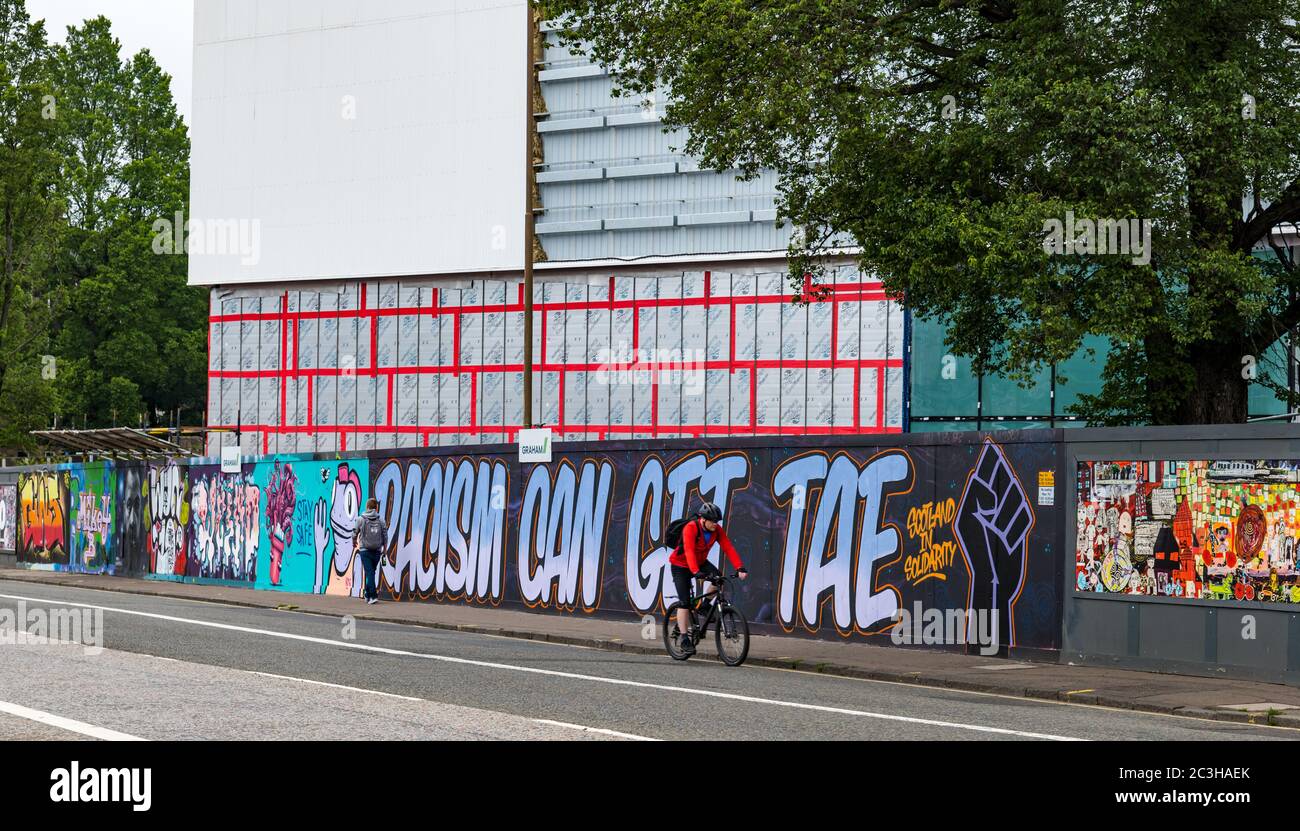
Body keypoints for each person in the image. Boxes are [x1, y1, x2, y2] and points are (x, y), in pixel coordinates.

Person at [668, 502, 747, 655]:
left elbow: (728, 547)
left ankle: (704, 606)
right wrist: (696, 571)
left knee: (719, 579)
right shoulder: (691, 527)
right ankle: (684, 638)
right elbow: (689, 551)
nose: (715, 524)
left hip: (700, 563)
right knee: (685, 603)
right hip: (680, 565)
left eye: (717, 521)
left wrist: (740, 567)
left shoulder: (716, 530)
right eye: (712, 521)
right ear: (703, 520)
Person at [352, 498, 389, 605]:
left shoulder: (361, 519)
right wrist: (385, 548)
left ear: (367, 507)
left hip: (365, 550)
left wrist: (354, 541)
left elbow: (354, 532)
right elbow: (385, 535)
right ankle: (368, 594)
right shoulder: (381, 520)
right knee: (371, 572)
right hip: (377, 550)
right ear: (376, 508)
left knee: (370, 572)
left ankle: (373, 596)